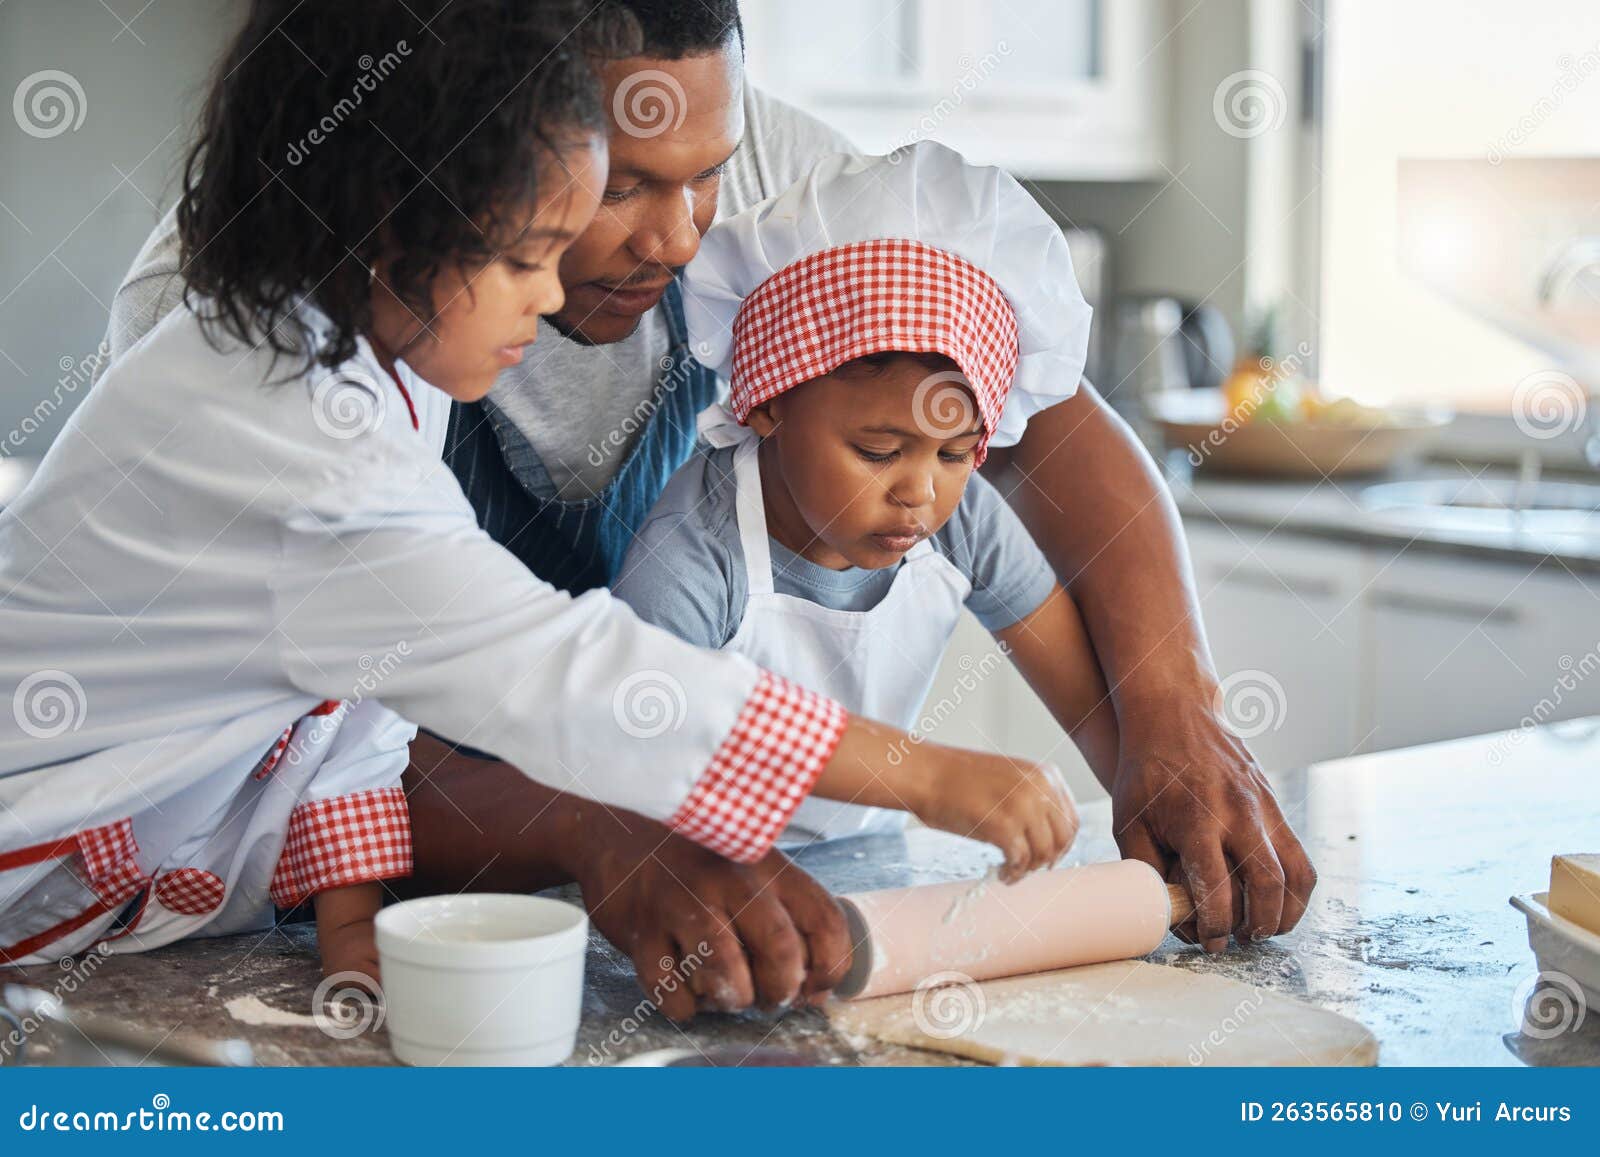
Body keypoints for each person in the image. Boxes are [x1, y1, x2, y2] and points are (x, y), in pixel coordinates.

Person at [97, 0, 1314, 1017]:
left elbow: (1039, 421)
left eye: (709, 179)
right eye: (619, 186)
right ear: (460, 133)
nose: (681, 237)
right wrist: (611, 829)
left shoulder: (766, 161)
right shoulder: (250, 313)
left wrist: (1168, 718)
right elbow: (325, 742)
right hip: (209, 895)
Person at [614, 143, 1116, 852]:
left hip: (871, 865)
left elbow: (1090, 701)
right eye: (878, 452)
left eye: (954, 451)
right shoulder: (692, 553)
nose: (919, 490)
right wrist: (930, 775)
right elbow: (650, 738)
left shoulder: (962, 519)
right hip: (695, 875)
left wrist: (1152, 788)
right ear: (765, 403)